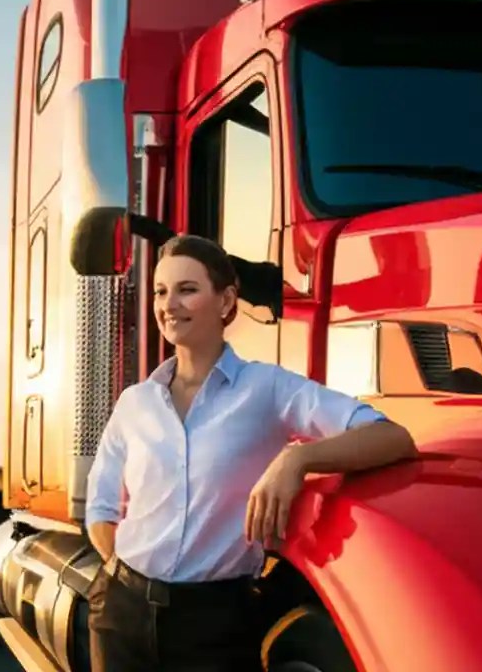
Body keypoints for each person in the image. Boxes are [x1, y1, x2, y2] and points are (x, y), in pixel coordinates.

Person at [84, 234, 417, 671]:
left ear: (225, 301)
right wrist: (123, 581)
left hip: (214, 625)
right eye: (161, 292)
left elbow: (391, 437)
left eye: (187, 289)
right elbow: (101, 508)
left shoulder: (268, 389)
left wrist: (297, 459)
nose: (169, 305)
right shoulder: (135, 403)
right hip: (121, 614)